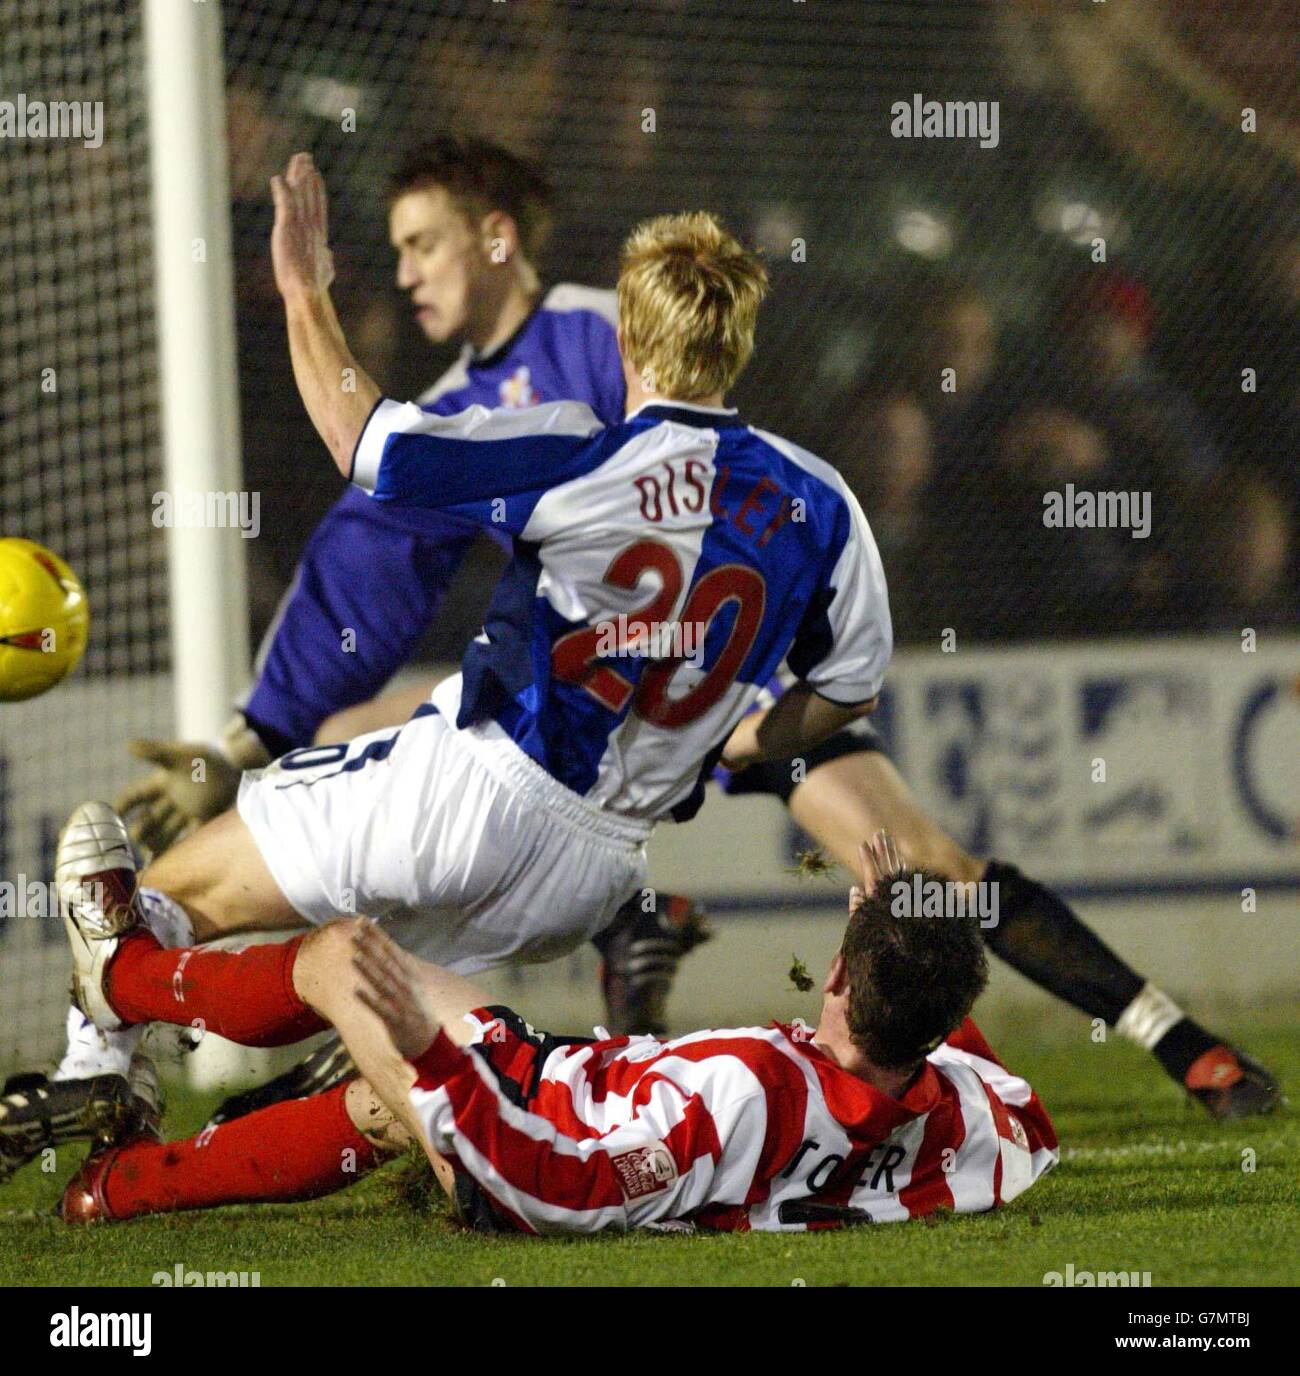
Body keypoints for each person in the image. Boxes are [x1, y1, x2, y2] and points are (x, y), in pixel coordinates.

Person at [50, 834, 1058, 1231]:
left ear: (836, 975)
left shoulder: (746, 1093)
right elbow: (971, 1061)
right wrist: (905, 940)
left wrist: (441, 1068)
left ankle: (122, 975)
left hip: (520, 1130)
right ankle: (114, 1186)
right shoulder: (970, 1119)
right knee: (370, 1111)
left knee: (340, 956)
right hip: (546, 1086)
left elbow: (567, 1192)